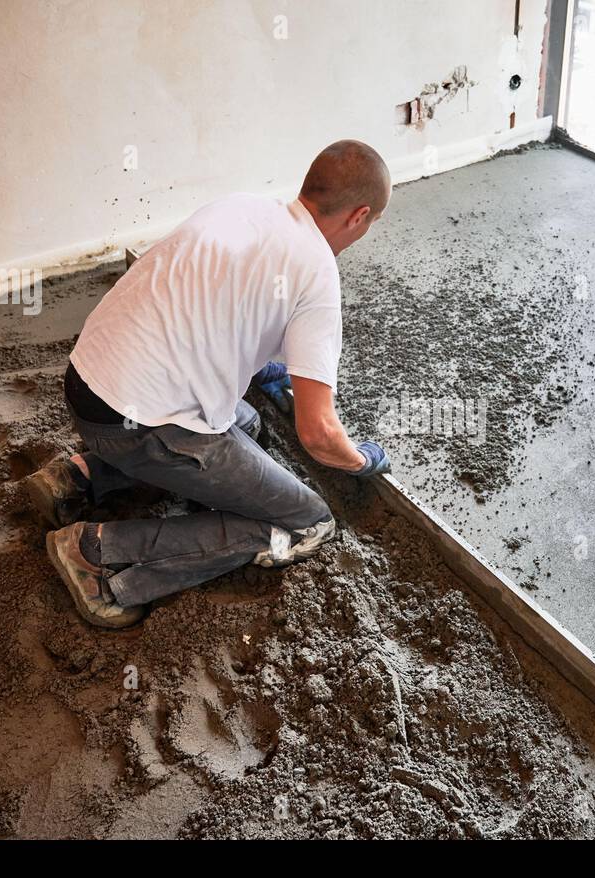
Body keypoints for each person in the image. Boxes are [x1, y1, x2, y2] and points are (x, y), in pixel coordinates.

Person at [26, 140, 392, 628]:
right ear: (359, 215)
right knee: (308, 522)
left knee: (250, 422)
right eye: (369, 225)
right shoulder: (318, 273)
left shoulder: (239, 206)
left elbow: (203, 298)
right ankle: (95, 554)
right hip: (136, 425)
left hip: (87, 385)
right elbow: (318, 434)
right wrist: (360, 459)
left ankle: (77, 477)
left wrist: (265, 368)